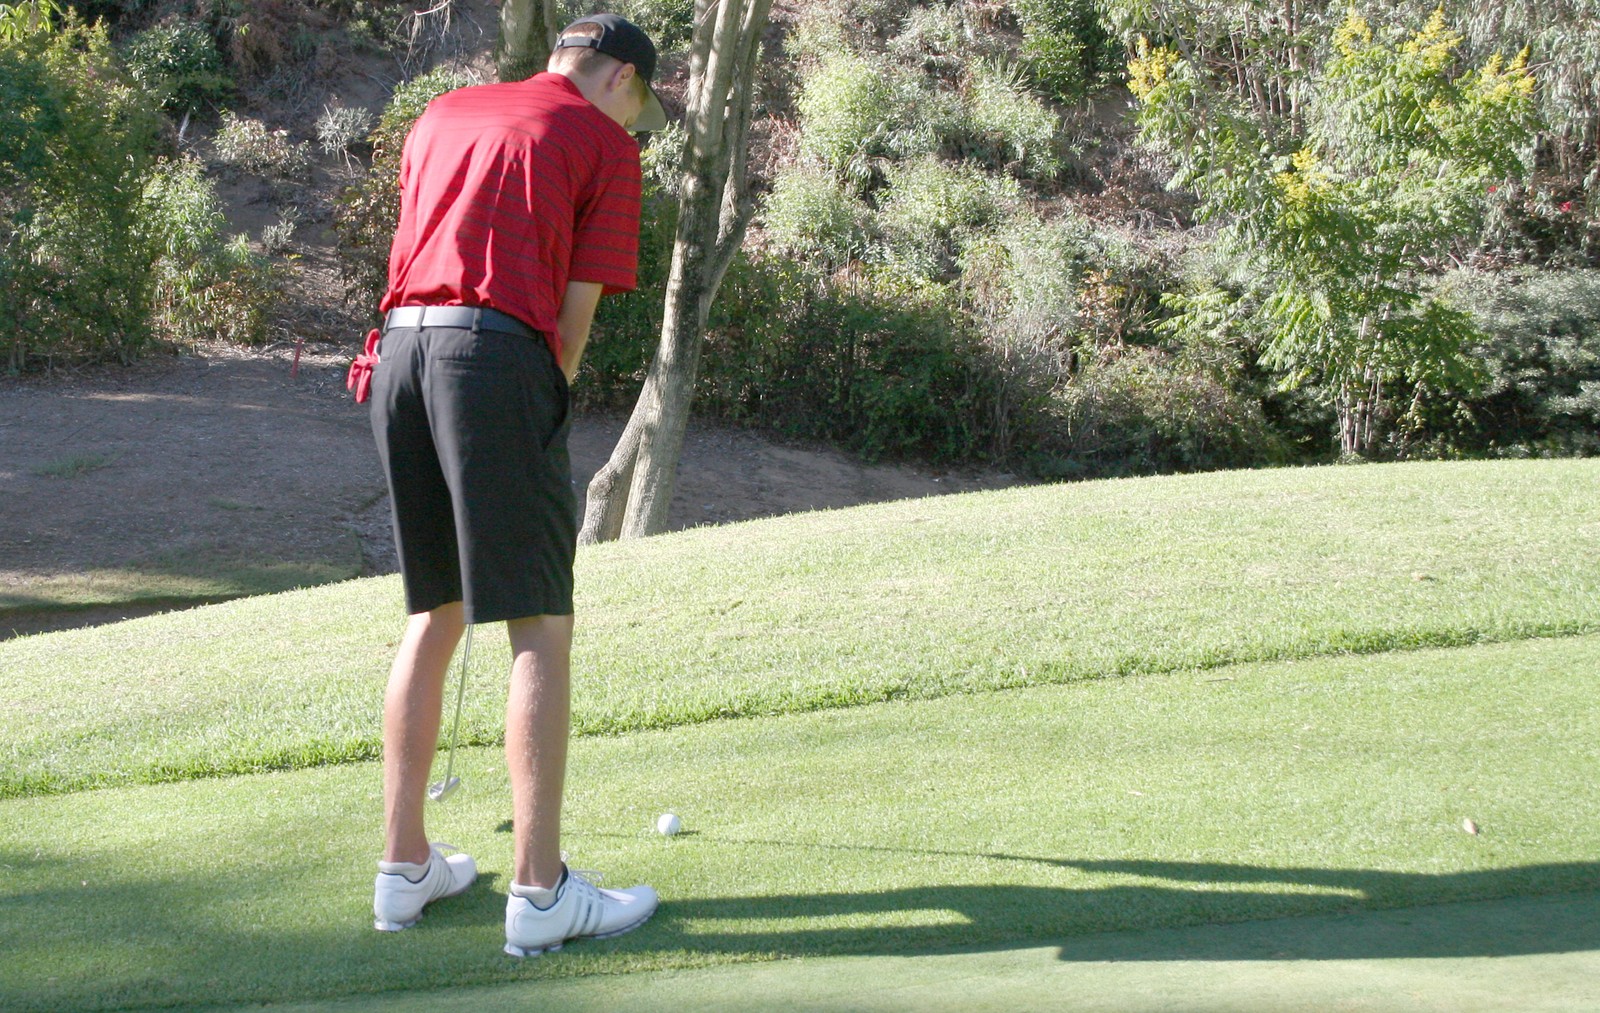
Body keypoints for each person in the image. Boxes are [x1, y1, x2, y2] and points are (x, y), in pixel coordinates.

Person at [359, 13, 669, 957]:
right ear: (617, 76)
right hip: (489, 359)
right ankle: (540, 892)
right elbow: (569, 333)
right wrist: (523, 409)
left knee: (435, 610)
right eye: (642, 103)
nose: (638, 122)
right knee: (538, 619)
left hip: (398, 357)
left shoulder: (444, 109)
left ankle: (405, 869)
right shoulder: (607, 144)